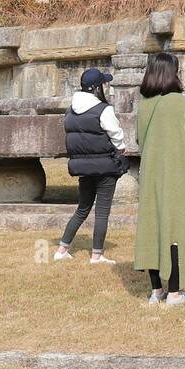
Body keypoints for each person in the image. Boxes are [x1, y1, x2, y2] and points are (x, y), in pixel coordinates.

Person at [134, 52, 185, 306]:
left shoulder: (143, 104)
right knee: (176, 228)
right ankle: (174, 293)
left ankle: (156, 291)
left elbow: (139, 140)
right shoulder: (181, 104)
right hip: (176, 171)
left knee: (152, 226)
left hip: (151, 170)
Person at [54, 68, 127, 265]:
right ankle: (96, 255)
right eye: (104, 84)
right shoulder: (104, 109)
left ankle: (62, 249)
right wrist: (121, 148)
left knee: (82, 208)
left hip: (83, 167)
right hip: (105, 166)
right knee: (102, 212)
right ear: (96, 88)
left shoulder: (71, 110)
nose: (106, 87)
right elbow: (116, 135)